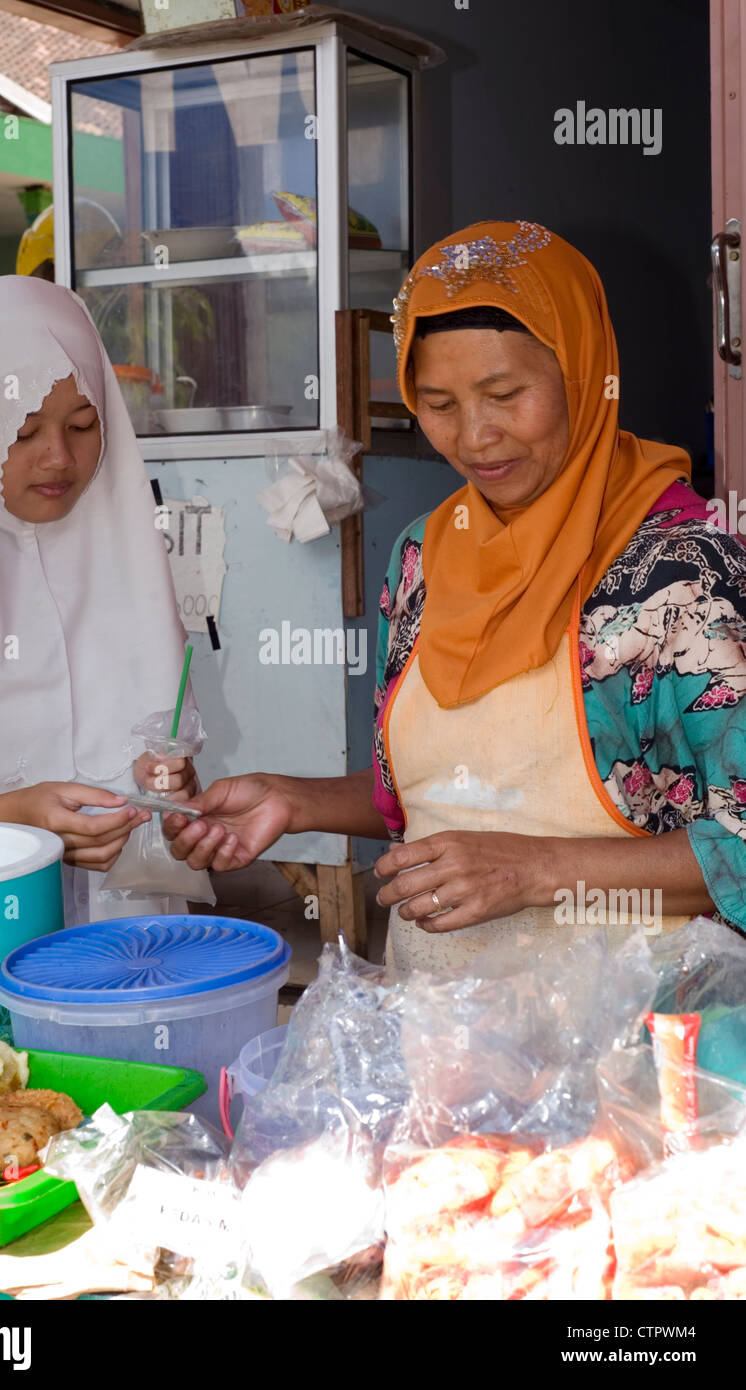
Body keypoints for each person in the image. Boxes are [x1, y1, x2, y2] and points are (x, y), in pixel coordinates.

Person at [144, 219, 746, 975]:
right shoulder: (423, 558)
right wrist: (290, 800)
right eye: (438, 403)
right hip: (441, 1032)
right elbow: (429, 792)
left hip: (631, 1046)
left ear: (584, 373)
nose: (475, 436)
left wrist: (536, 871)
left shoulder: (680, 572)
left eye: (505, 394)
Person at [0, 276, 197, 925]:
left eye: (83, 424)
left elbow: (175, 793)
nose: (59, 458)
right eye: (21, 433)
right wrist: (11, 818)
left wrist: (174, 791)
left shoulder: (129, 564)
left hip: (124, 940)